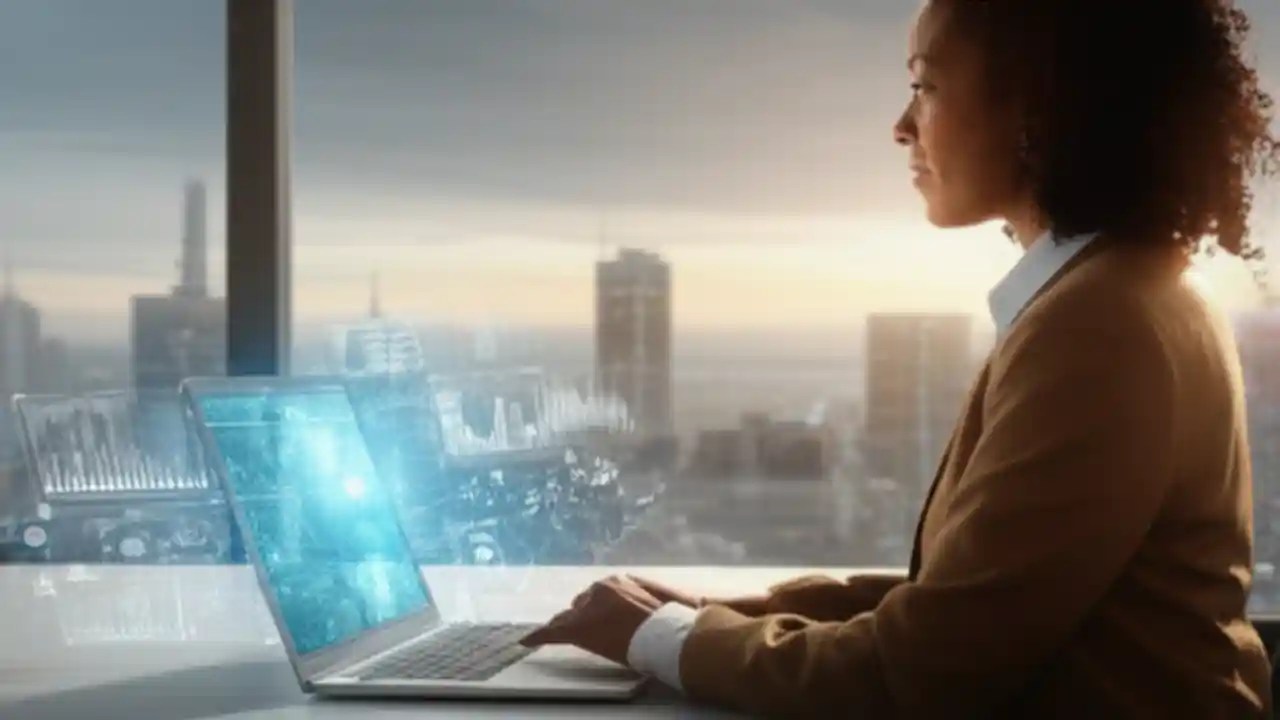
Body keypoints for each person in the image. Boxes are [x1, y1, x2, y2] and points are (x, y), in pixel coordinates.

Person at [521, 0, 1280, 716]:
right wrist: (717, 616)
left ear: (1035, 110)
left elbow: (920, 669)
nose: (900, 125)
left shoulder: (1100, 326)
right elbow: (974, 597)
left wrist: (657, 639)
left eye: (925, 86)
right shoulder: (1135, 290)